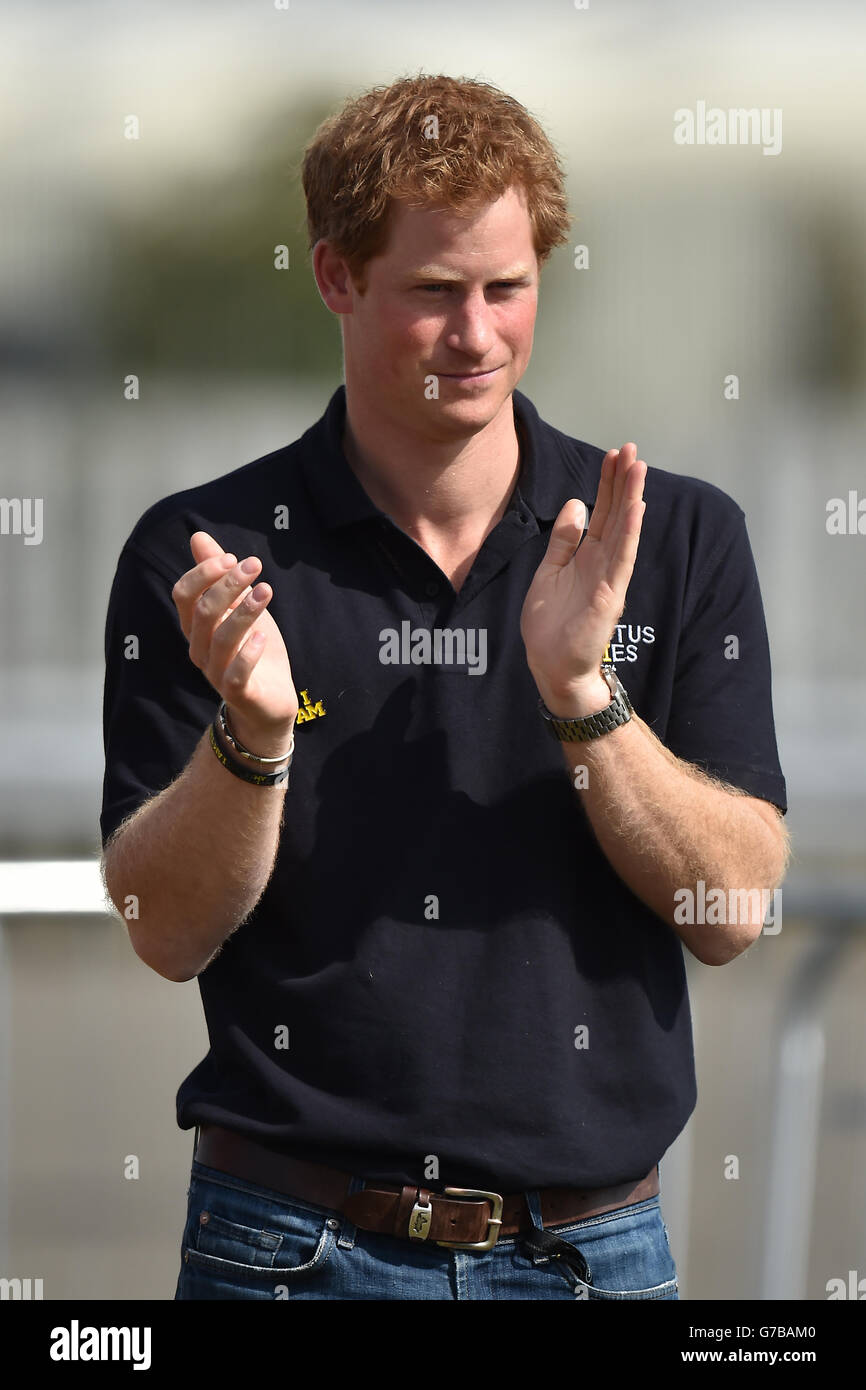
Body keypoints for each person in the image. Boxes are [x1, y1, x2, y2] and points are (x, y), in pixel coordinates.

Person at [99, 73, 790, 1301]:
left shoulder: (673, 537)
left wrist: (582, 691)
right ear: (334, 278)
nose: (474, 336)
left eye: (504, 288)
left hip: (595, 1255)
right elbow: (165, 928)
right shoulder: (202, 554)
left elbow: (732, 908)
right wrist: (251, 735)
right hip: (283, 1249)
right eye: (431, 293)